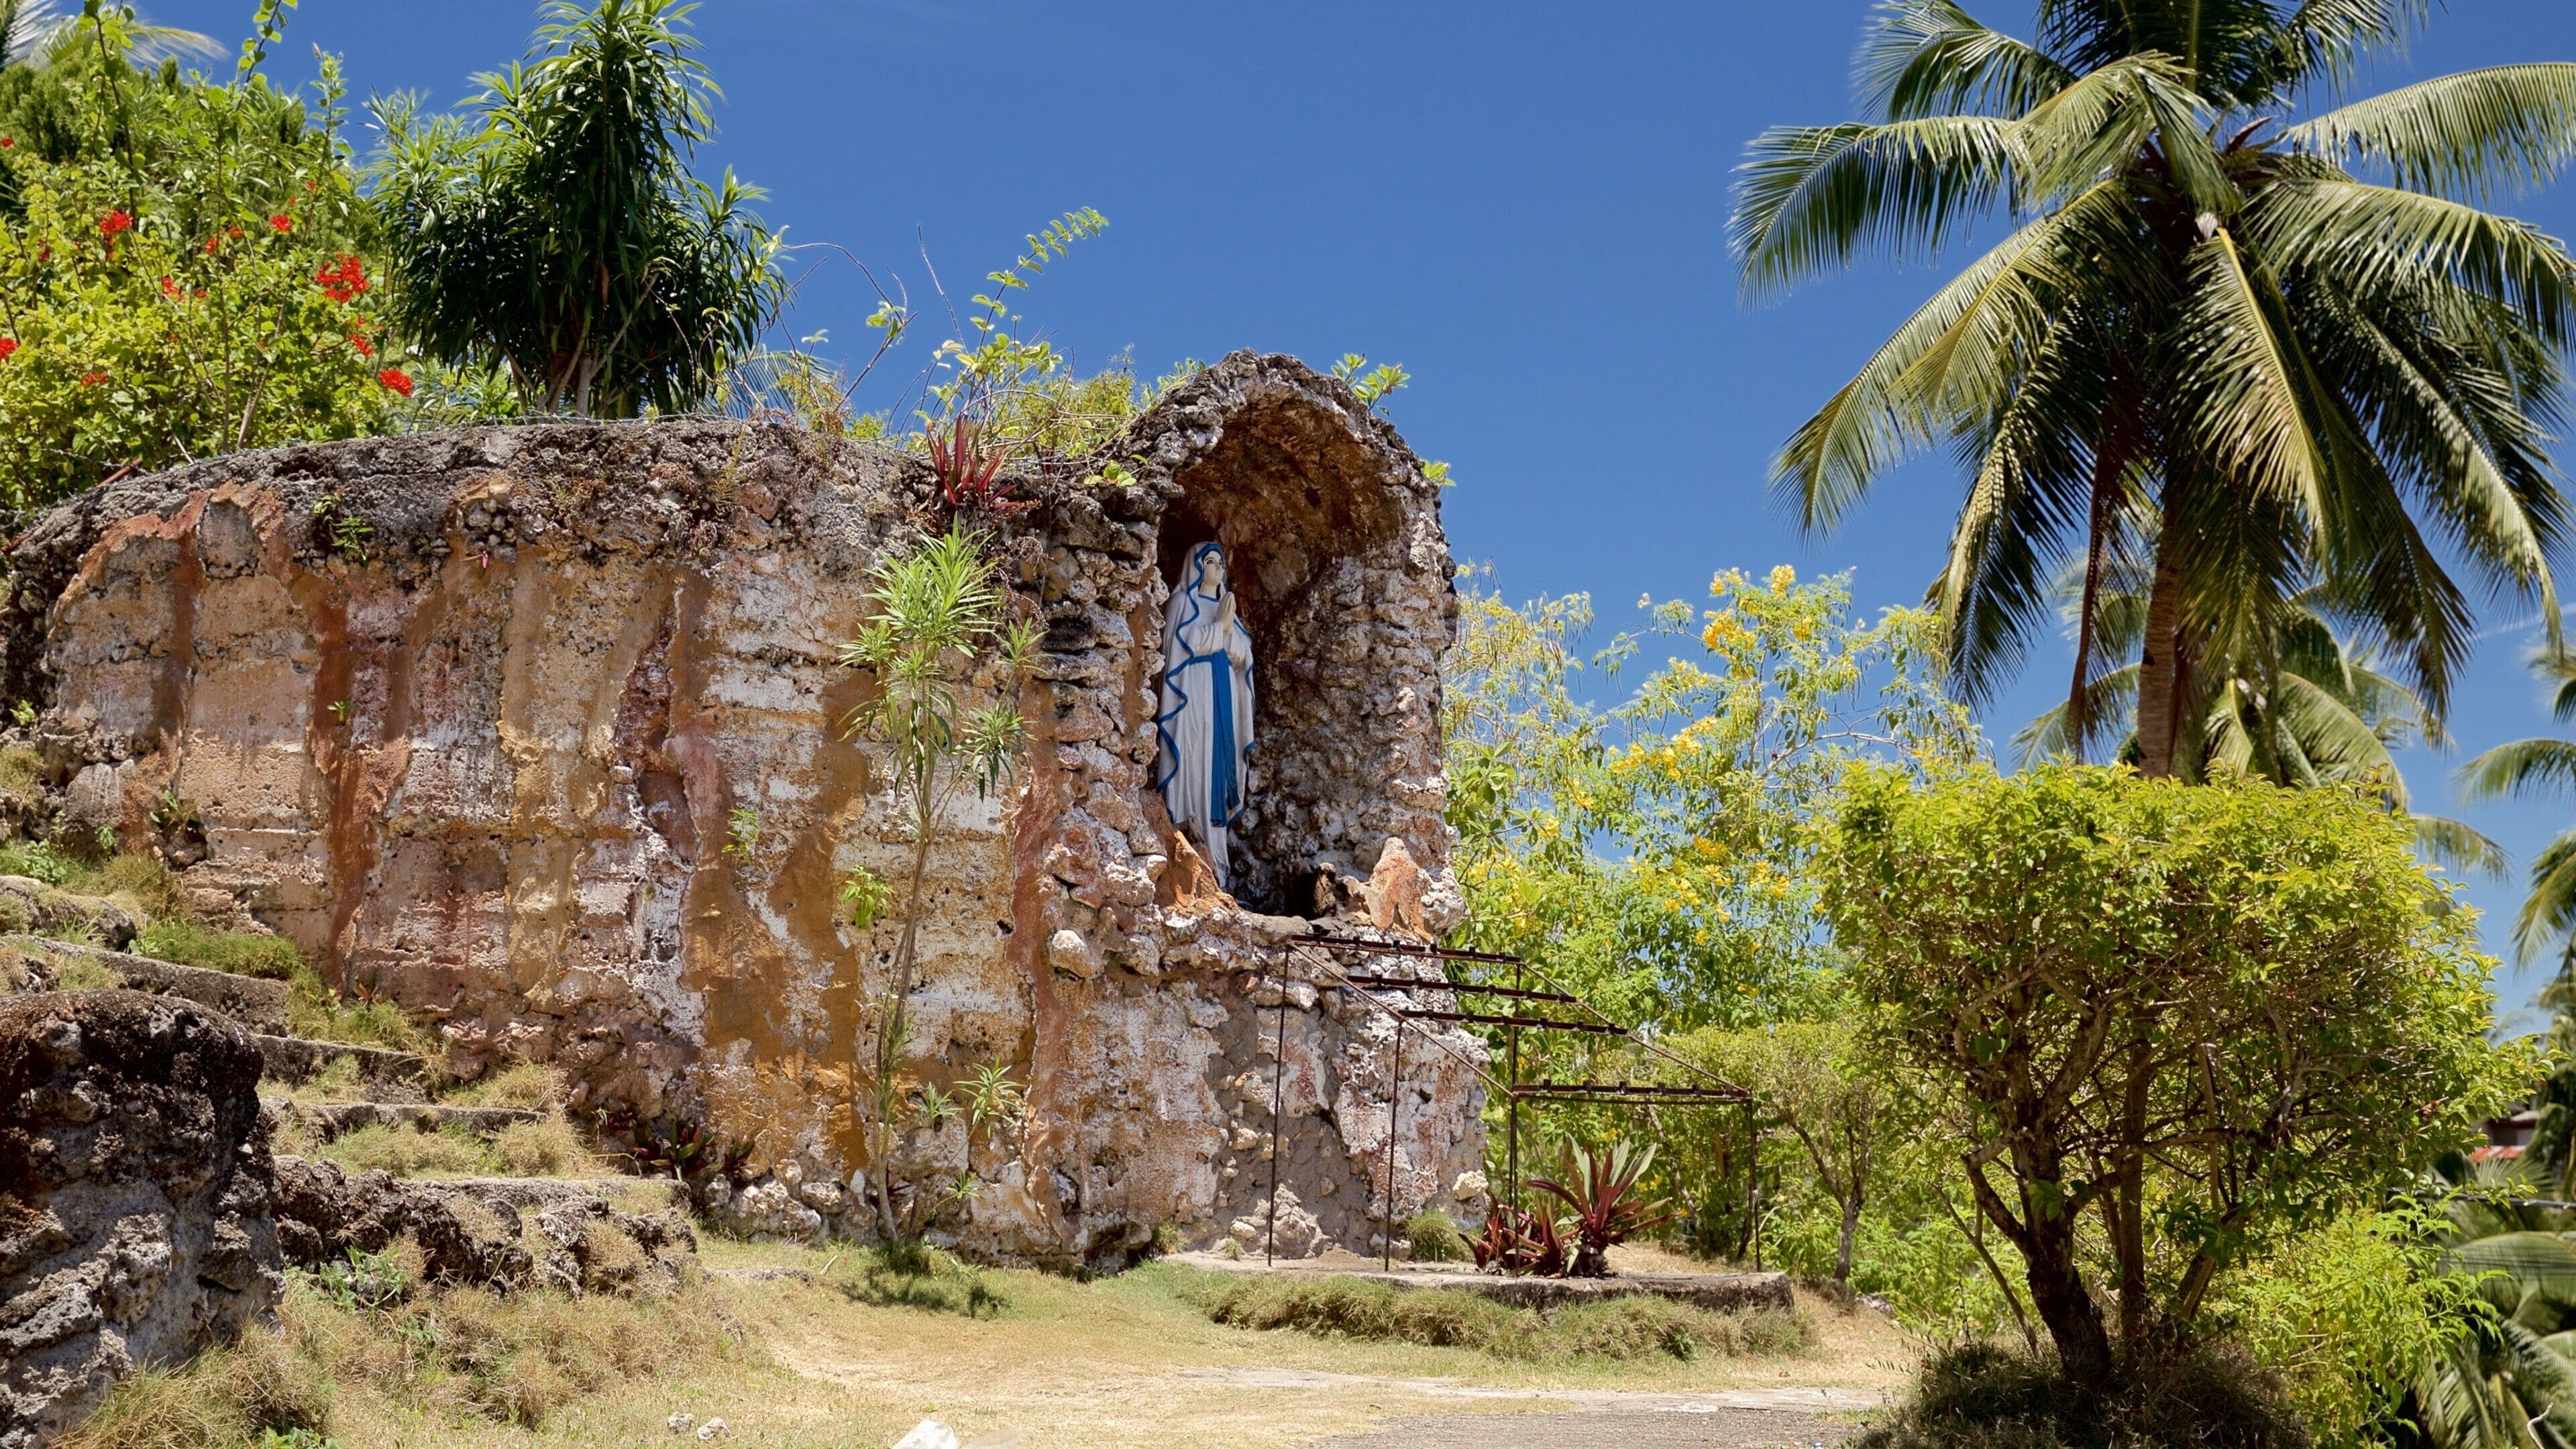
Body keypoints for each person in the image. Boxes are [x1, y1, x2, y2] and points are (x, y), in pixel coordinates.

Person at [1154, 541, 1254, 886]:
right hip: (1192, 693)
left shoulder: (1227, 607)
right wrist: (1220, 630)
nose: (1217, 568)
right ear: (1195, 567)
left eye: (1220, 562)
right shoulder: (1183, 602)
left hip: (1222, 694)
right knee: (1193, 753)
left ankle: (1218, 862)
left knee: (1218, 760)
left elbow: (1243, 656)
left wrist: (1228, 629)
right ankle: (1184, 836)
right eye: (1209, 561)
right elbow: (1178, 646)